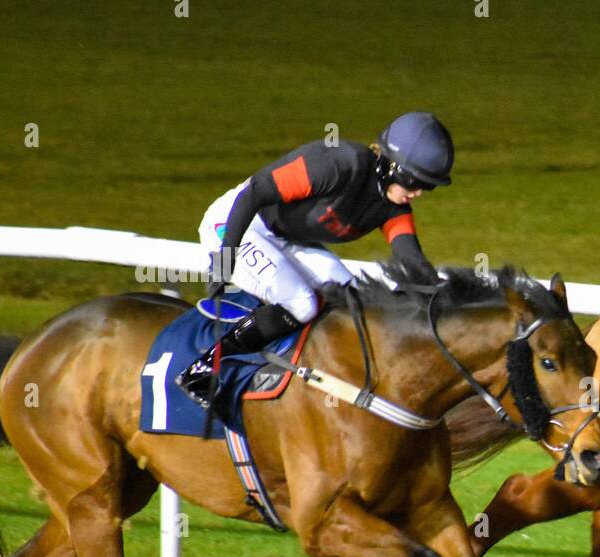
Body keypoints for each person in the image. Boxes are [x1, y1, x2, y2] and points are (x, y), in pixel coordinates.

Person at [175, 111, 454, 407]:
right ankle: (204, 368)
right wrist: (225, 260)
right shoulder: (337, 164)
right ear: (392, 165)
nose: (420, 192)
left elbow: (412, 262)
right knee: (302, 303)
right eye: (415, 181)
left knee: (353, 299)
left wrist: (450, 300)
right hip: (238, 221)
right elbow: (254, 193)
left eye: (429, 185)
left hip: (287, 237)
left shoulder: (393, 207)